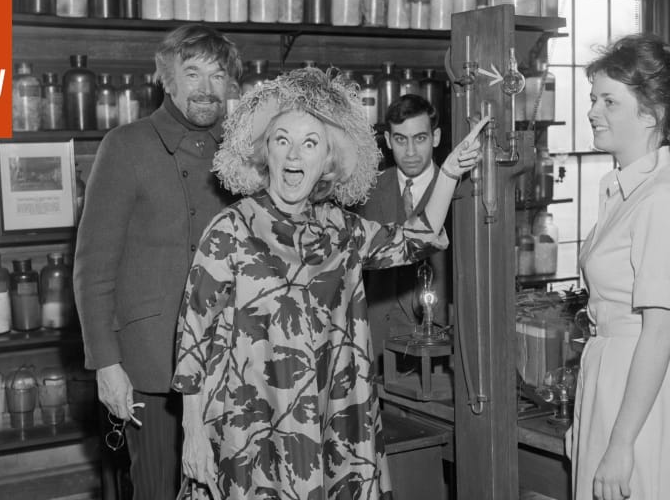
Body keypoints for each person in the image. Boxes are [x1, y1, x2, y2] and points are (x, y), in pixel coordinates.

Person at [171, 67, 483, 499]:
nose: (294, 156)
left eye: (309, 143)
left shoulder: (342, 229)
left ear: (329, 160)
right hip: (250, 426)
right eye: (282, 141)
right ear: (265, 153)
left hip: (333, 419)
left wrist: (448, 172)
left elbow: (419, 238)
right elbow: (194, 338)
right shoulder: (231, 228)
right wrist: (192, 430)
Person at [73, 24, 242, 500]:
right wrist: (107, 365)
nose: (207, 89)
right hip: (153, 367)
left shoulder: (243, 152)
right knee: (157, 491)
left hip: (231, 362)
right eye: (193, 74)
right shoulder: (126, 146)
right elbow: (92, 268)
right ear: (167, 80)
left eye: (218, 76)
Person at [566, 33, 670, 500]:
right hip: (613, 375)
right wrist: (590, 418)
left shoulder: (663, 200)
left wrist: (621, 443)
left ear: (651, 113)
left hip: (640, 388)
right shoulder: (625, 191)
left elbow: (659, 329)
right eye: (594, 99)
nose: (593, 111)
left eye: (609, 101)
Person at [354, 94, 452, 373]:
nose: (410, 151)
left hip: (438, 342)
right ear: (387, 140)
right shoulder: (368, 190)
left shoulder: (457, 192)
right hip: (377, 340)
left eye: (419, 138)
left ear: (436, 137)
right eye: (400, 139)